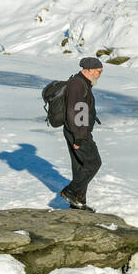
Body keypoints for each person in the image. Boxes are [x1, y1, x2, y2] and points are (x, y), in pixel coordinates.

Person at [59, 56, 103, 210]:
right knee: (93, 162)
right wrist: (79, 138)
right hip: (78, 133)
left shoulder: (82, 83)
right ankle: (70, 191)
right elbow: (76, 112)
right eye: (98, 71)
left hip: (76, 131)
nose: (99, 74)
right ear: (88, 70)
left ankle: (78, 203)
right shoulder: (78, 85)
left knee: (80, 166)